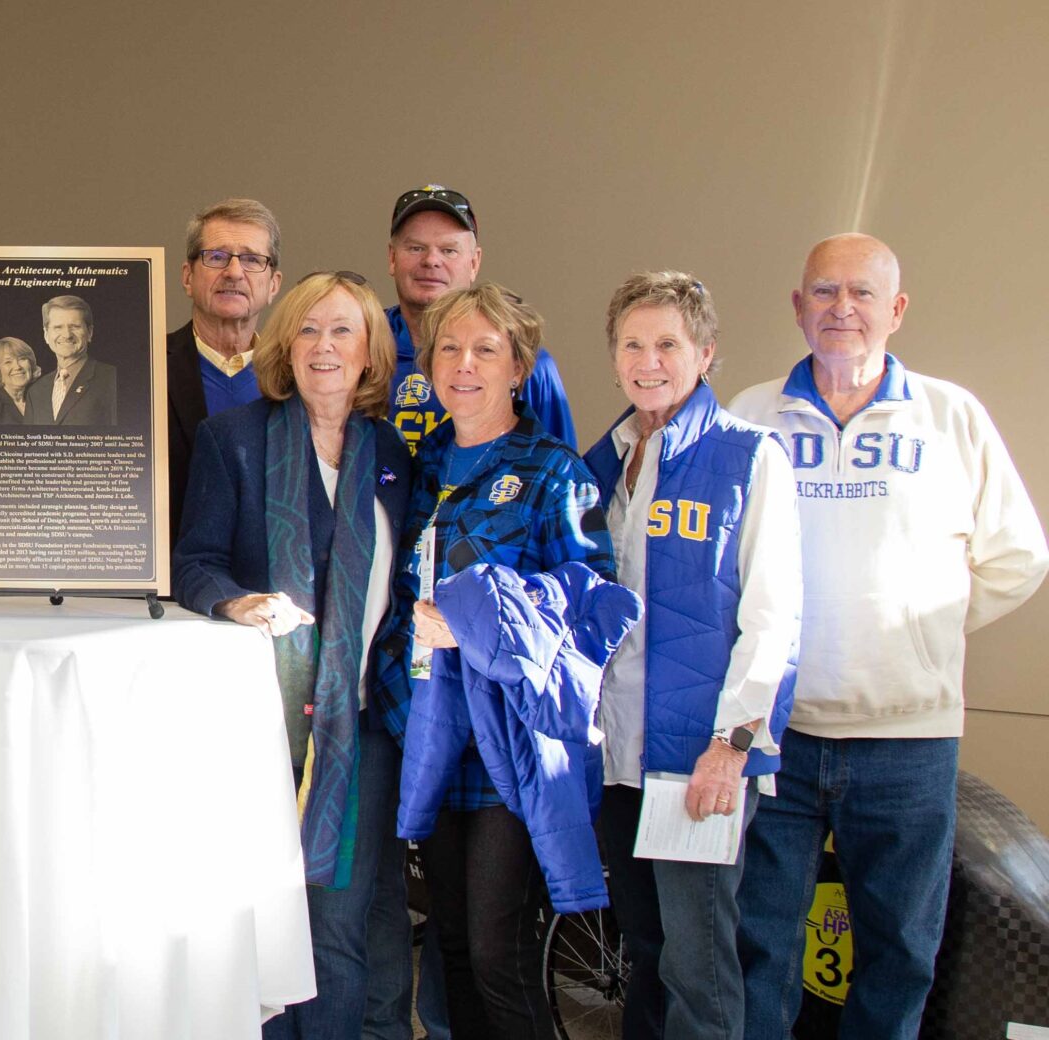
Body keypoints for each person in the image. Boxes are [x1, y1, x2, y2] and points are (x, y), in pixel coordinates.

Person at [728, 234, 1048, 1039]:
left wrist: (923, 626)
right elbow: (714, 560)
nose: (843, 309)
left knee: (900, 952)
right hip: (779, 733)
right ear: (798, 308)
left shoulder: (950, 416)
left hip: (909, 741)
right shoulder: (751, 413)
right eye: (825, 293)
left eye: (862, 294)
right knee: (758, 944)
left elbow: (1019, 555)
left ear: (896, 310)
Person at [174, 271, 413, 1039]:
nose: (324, 346)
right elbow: (194, 561)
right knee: (252, 924)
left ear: (371, 350)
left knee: (338, 928)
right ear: (285, 342)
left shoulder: (395, 457)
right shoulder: (233, 440)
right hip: (256, 724)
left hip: (361, 729)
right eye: (308, 329)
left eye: (343, 329)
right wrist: (236, 602)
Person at [374, 282, 614, 1040]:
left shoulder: (552, 471)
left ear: (520, 367)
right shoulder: (423, 462)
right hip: (430, 740)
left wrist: (476, 625)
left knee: (495, 953)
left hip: (509, 748)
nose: (465, 364)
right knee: (446, 946)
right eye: (449, 348)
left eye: (486, 349)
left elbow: (589, 597)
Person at [580, 272, 801, 1040]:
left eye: (668, 343)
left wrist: (731, 744)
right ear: (613, 358)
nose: (649, 361)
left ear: (706, 354)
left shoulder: (749, 457)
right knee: (645, 952)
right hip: (618, 755)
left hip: (697, 758)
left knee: (699, 968)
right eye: (633, 344)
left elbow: (773, 616)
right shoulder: (601, 462)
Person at [383, 185, 575, 452]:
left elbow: (562, 473)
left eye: (449, 250)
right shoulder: (359, 350)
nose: (431, 260)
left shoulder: (524, 363)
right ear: (392, 257)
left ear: (474, 263)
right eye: (416, 248)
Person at [166, 198, 284, 546]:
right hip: (169, 585)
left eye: (251, 259)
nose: (234, 272)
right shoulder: (143, 370)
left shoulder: (296, 380)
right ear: (188, 277)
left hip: (269, 586)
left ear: (274, 284)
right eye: (216, 257)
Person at [25, 293, 118, 425]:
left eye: (75, 326)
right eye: (58, 327)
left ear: (90, 332)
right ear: (46, 335)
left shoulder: (112, 379)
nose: (67, 335)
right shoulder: (35, 392)